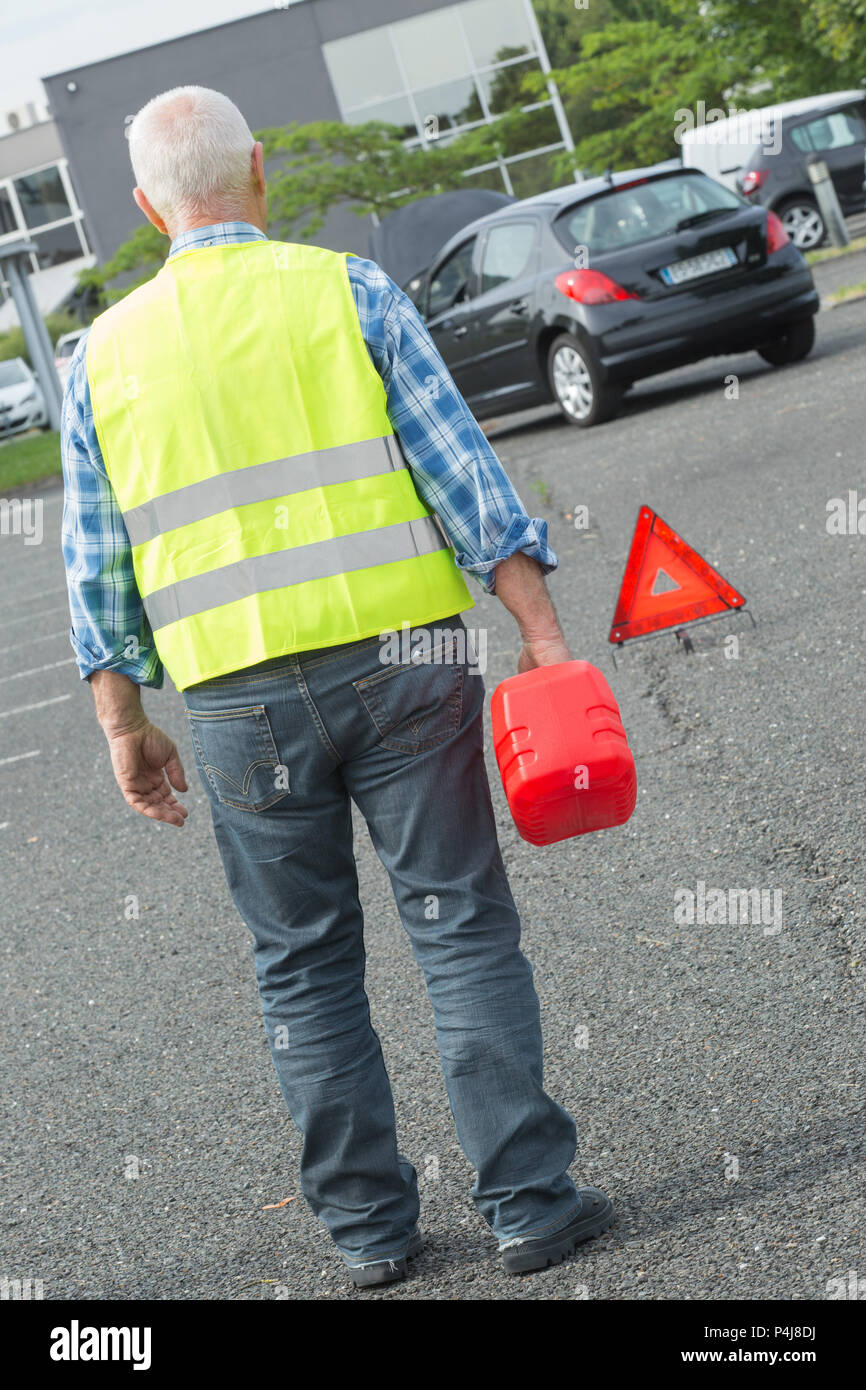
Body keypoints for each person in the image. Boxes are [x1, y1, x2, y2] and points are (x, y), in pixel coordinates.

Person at [60, 86, 613, 1288]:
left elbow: (95, 564)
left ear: (151, 207)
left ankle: (370, 1234)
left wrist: (123, 724)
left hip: (233, 698)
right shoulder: (347, 290)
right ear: (258, 171)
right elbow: (462, 476)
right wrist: (542, 633)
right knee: (457, 921)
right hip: (406, 658)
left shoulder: (98, 356)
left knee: (300, 965)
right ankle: (526, 1202)